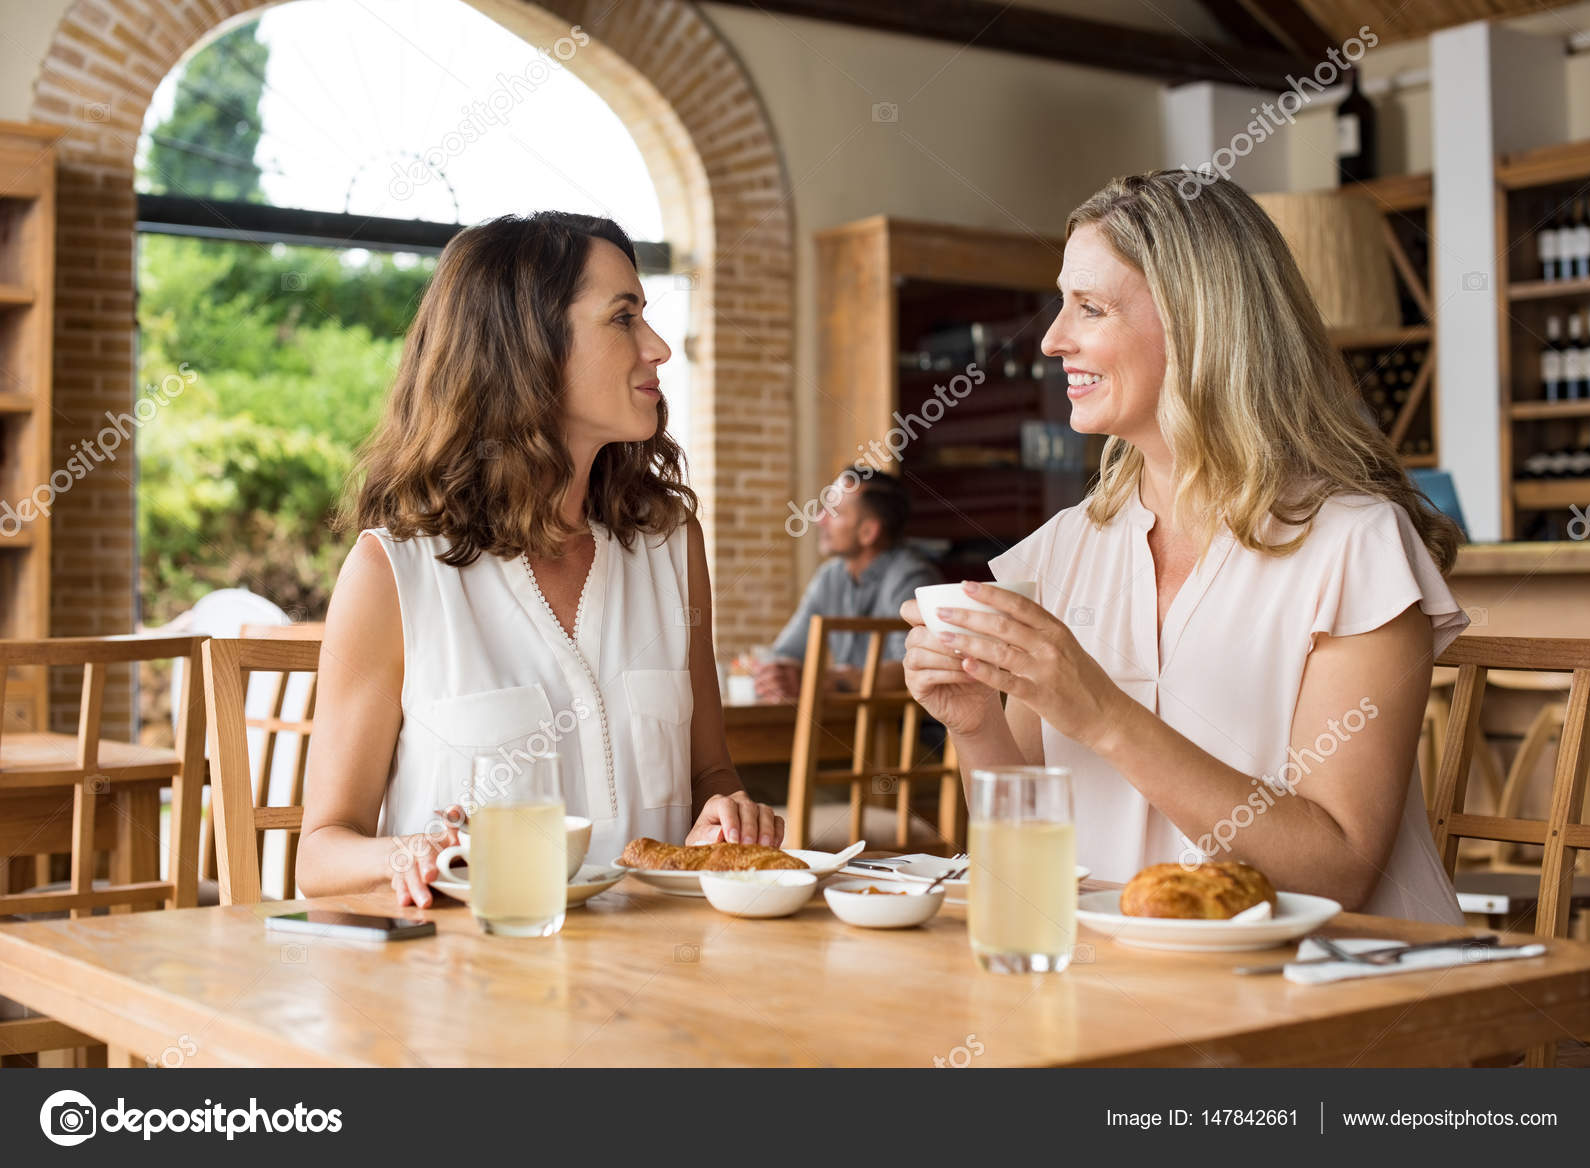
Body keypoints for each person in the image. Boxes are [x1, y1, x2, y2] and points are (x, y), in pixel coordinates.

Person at [902, 171, 1467, 922]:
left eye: (1091, 308)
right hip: (1122, 977)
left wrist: (1101, 711)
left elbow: (1338, 873)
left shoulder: (1353, 546)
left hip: (1331, 990)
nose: (1051, 338)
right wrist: (977, 725)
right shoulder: (1068, 548)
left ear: (1201, 323)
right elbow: (1026, 837)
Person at [296, 212, 782, 908]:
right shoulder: (393, 574)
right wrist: (407, 853)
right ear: (527, 349)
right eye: (623, 319)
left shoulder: (672, 544)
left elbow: (711, 772)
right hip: (468, 983)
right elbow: (321, 853)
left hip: (659, 979)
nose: (659, 348)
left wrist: (729, 812)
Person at [755, 467, 940, 700]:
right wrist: (778, 673)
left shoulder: (911, 578)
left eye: (835, 512)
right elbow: (786, 651)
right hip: (850, 725)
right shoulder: (829, 577)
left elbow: (912, 667)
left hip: (902, 730)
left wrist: (823, 680)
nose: (820, 519)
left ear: (868, 531)